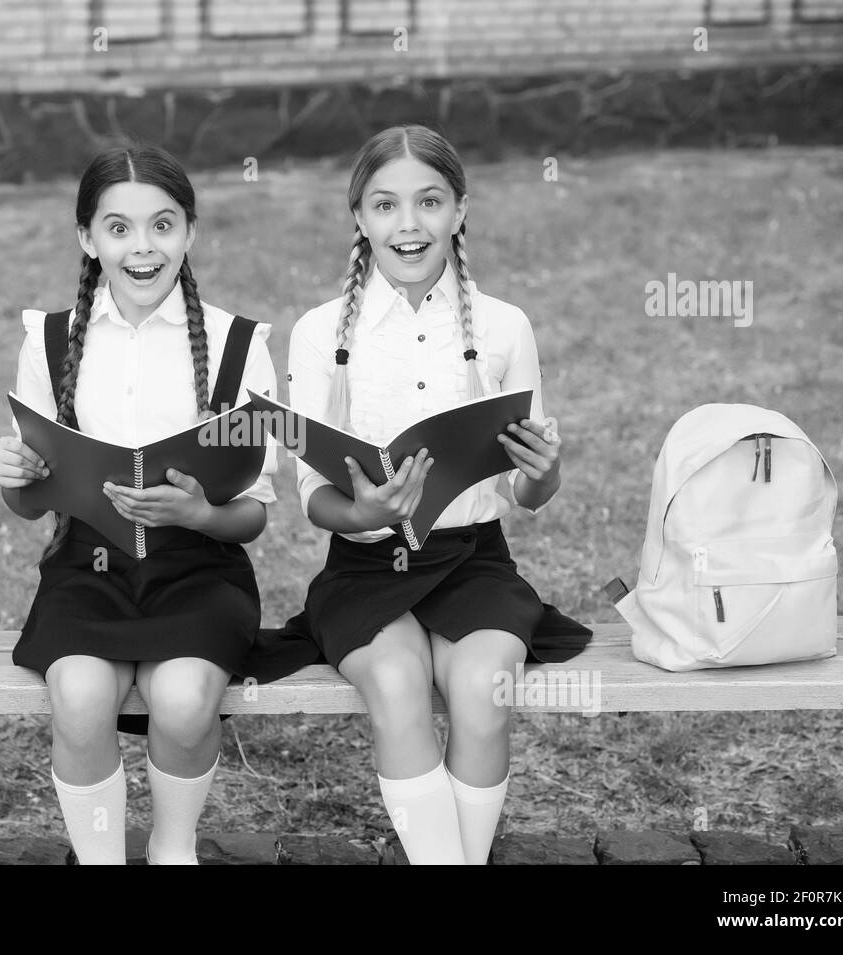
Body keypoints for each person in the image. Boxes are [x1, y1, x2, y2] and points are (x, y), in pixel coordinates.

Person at [275, 123, 590, 864]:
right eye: (385, 205)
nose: (408, 225)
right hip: (365, 567)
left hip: (473, 561)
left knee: (485, 687)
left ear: (459, 210)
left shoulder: (505, 325)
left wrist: (542, 469)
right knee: (395, 678)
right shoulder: (321, 334)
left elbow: (526, 491)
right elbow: (313, 494)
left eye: (429, 202)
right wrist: (363, 512)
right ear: (359, 217)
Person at [0, 142, 277, 865]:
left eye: (162, 224)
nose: (141, 247)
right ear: (87, 237)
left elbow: (257, 512)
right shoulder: (51, 342)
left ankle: (172, 851)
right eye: (117, 228)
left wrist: (200, 515)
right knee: (81, 696)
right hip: (86, 570)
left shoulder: (242, 347)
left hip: (200, 571)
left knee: (182, 700)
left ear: (190, 231)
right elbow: (30, 504)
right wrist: (14, 475)